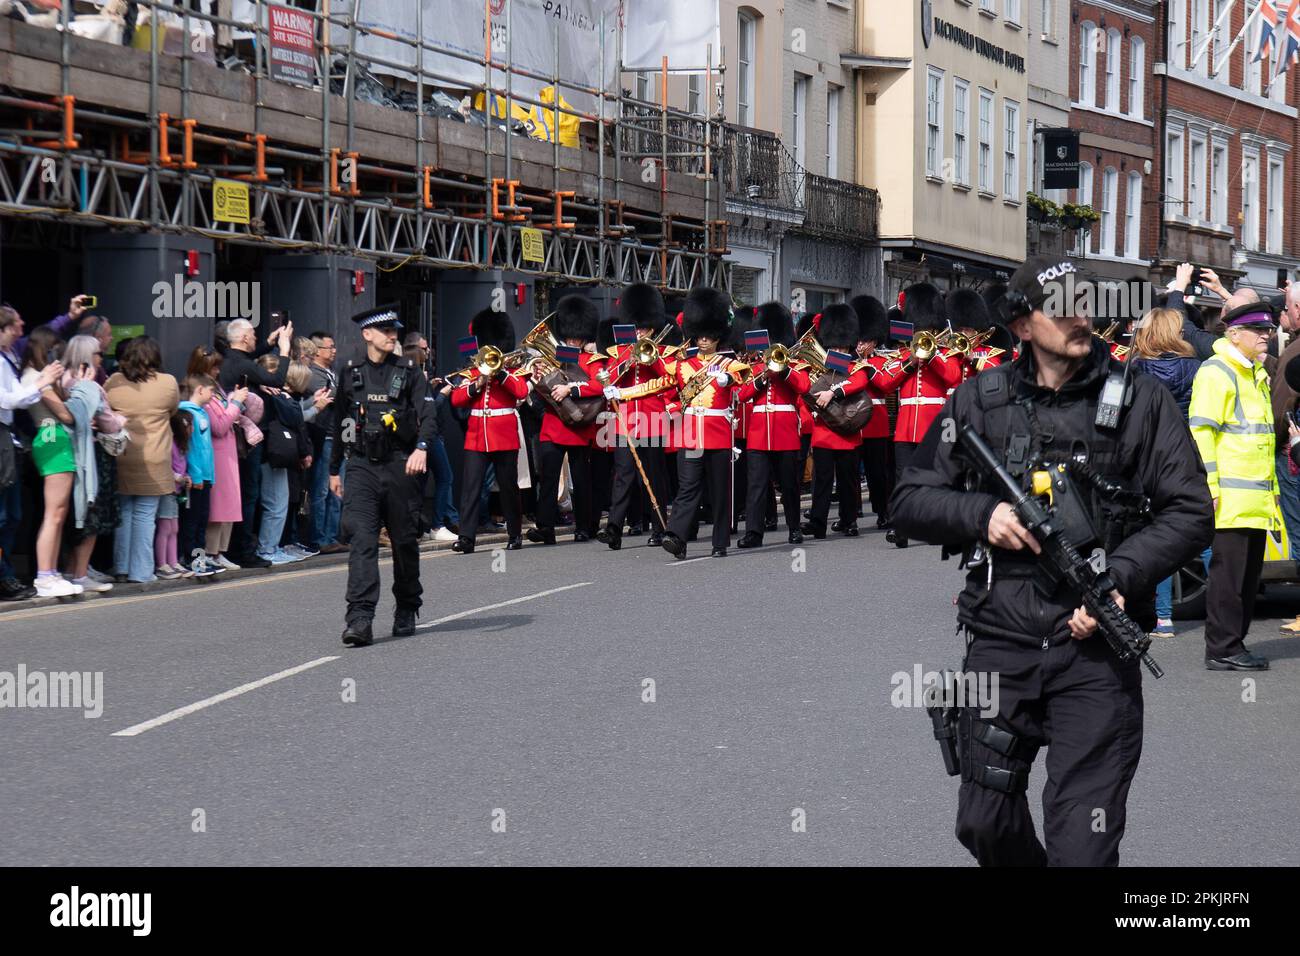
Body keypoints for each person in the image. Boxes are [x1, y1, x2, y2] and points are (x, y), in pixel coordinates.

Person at [890, 254, 1214, 866]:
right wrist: (980, 515)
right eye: (1060, 304)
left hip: (1095, 653)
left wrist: (1120, 577)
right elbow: (909, 497)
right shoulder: (978, 401)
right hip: (999, 639)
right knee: (983, 826)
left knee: (1083, 849)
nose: (1079, 315)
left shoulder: (1140, 401)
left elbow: (1191, 510)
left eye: (1085, 302)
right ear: (1021, 325)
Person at [330, 305, 435, 646]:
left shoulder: (409, 371)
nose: (393, 336)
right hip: (361, 465)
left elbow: (428, 414)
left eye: (395, 331)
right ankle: (359, 618)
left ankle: (407, 606)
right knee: (362, 539)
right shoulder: (350, 371)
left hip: (400, 464)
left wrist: (421, 448)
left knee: (404, 541)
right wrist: (334, 468)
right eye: (386, 331)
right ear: (367, 334)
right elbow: (340, 422)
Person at [1189, 301, 1279, 671]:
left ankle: (1233, 644)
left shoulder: (1252, 373)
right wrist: (1210, 487)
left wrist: (1271, 492)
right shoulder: (1217, 372)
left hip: (1253, 499)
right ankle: (1223, 648)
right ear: (1234, 333)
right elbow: (1201, 432)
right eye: (1258, 330)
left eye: (1269, 330)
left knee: (1246, 580)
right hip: (1228, 499)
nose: (1266, 336)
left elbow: (1261, 440)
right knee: (1229, 580)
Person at [1129, 307, 1206, 636]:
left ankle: (1162, 618)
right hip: (1190, 450)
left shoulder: (1136, 369)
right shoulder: (1196, 367)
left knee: (1158, 532)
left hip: (1151, 455)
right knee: (1200, 529)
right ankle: (1225, 604)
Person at [660, 287, 750, 559]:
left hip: (718, 435)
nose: (703, 341)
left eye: (708, 337)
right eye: (699, 336)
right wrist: (620, 392)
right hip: (690, 435)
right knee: (687, 488)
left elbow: (743, 376)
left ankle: (720, 541)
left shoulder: (727, 364)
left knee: (719, 490)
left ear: (717, 337)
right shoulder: (682, 365)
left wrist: (728, 380)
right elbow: (660, 385)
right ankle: (677, 536)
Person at [875, 283, 965, 548]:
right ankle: (901, 527)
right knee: (903, 478)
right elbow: (885, 383)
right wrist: (910, 362)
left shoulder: (947, 353)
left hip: (933, 424)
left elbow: (952, 377)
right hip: (905, 427)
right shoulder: (905, 353)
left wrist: (932, 355)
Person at [599, 283, 676, 550]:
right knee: (623, 476)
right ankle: (614, 529)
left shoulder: (663, 352)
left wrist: (648, 358)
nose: (640, 332)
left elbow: (669, 378)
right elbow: (608, 378)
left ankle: (658, 528)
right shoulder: (620, 351)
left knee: (655, 476)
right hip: (625, 422)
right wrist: (627, 361)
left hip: (651, 419)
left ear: (652, 328)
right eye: (637, 327)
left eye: (644, 328)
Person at [527, 295, 605, 546]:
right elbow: (540, 386)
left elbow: (600, 386)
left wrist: (571, 389)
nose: (573, 340)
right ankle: (545, 527)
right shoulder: (552, 357)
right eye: (570, 336)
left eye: (577, 337)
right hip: (553, 425)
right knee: (548, 479)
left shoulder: (592, 361)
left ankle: (583, 527)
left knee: (582, 480)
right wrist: (538, 377)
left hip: (579, 426)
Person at [21, 328, 92, 597]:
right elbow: (66, 414)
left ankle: (50, 573)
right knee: (54, 513)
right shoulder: (37, 377)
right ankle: (45, 575)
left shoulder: (37, 376)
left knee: (58, 513)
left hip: (53, 438)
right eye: (56, 352)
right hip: (52, 438)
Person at [449, 308, 528, 553]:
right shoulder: (473, 370)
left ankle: (514, 534)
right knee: (470, 487)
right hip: (476, 436)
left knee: (508, 488)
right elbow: (457, 399)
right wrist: (478, 384)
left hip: (503, 435)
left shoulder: (512, 370)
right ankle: (466, 537)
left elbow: (522, 392)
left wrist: (501, 372)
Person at [105, 336, 179, 583]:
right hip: (155, 459)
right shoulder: (167, 383)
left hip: (122, 456)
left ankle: (121, 568)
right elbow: (173, 411)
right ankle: (141, 571)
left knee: (124, 513)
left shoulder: (113, 381)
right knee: (145, 516)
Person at [0, 305, 61, 600]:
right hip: (1, 434)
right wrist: (41, 382)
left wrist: (43, 385)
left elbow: (20, 401)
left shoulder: (6, 357)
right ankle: (4, 577)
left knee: (13, 514)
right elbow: (8, 401)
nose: (21, 327)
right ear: (4, 329)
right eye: (15, 324)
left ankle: (7, 574)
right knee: (3, 515)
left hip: (9, 438)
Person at [735, 302, 808, 547]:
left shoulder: (793, 365)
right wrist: (763, 375)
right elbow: (743, 395)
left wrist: (783, 370)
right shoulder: (754, 367)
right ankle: (754, 533)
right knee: (756, 486)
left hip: (785, 431)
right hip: (758, 433)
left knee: (789, 485)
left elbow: (804, 386)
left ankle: (794, 528)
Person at [798, 305, 871, 540]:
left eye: (842, 346)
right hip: (824, 432)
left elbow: (858, 383)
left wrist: (834, 391)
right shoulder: (820, 368)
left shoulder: (855, 367)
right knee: (822, 481)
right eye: (835, 346)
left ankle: (849, 520)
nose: (839, 349)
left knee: (848, 482)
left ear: (849, 345)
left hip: (847, 433)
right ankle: (818, 522)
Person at [60, 334, 123, 592]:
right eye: (97, 353)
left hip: (69, 451)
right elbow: (106, 420)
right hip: (91, 453)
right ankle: (81, 573)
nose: (101, 357)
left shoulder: (63, 379)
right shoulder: (89, 386)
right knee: (90, 514)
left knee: (75, 516)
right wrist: (121, 420)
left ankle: (72, 570)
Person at [188, 346, 248, 570]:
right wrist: (235, 403)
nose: (217, 371)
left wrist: (233, 403)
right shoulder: (200, 390)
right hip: (216, 453)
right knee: (218, 507)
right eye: (213, 367)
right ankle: (211, 552)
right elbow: (219, 425)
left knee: (230, 504)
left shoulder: (216, 388)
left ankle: (221, 551)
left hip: (227, 452)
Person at [850, 296, 895, 530]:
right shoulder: (846, 360)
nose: (861, 344)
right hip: (851, 421)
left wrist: (867, 365)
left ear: (875, 342)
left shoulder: (881, 361)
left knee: (878, 473)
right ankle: (851, 514)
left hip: (875, 422)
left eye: (866, 340)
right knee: (850, 473)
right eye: (859, 339)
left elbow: (887, 385)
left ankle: (882, 511)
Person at [307, 330, 345, 553]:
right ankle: (318, 538)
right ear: (316, 350)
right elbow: (337, 397)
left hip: (338, 436)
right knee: (321, 490)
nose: (334, 351)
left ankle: (332, 536)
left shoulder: (331, 374)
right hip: (324, 437)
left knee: (336, 489)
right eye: (330, 347)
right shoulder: (314, 374)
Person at [177, 374, 218, 574]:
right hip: (196, 478)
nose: (213, 395)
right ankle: (191, 560)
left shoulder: (202, 413)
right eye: (211, 390)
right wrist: (197, 474)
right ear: (200, 389)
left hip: (206, 476)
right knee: (192, 522)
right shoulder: (187, 413)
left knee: (202, 521)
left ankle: (200, 560)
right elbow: (190, 448)